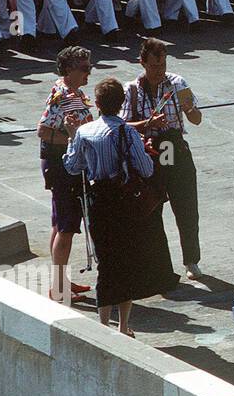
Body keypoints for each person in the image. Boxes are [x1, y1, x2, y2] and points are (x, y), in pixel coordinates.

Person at [63, 76, 178, 334]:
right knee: (126, 261)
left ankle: (104, 324)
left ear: (97, 104)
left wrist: (71, 137)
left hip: (98, 201)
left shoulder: (84, 132)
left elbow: (72, 166)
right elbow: (146, 169)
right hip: (124, 202)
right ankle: (124, 326)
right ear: (121, 103)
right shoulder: (128, 132)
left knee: (105, 262)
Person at [121, 38, 205, 279]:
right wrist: (147, 124)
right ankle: (156, 264)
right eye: (154, 66)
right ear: (142, 62)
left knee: (187, 208)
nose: (159, 71)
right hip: (148, 153)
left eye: (163, 65)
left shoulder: (177, 83)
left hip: (174, 149)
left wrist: (190, 110)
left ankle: (191, 260)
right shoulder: (132, 90)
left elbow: (197, 119)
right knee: (150, 210)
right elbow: (122, 125)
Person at [37, 46, 94, 303]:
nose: (88, 72)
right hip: (62, 166)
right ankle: (59, 288)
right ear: (69, 69)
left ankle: (60, 282)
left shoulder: (74, 93)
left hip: (64, 164)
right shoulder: (62, 95)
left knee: (59, 224)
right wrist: (73, 140)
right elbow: (43, 131)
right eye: (84, 68)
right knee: (67, 227)